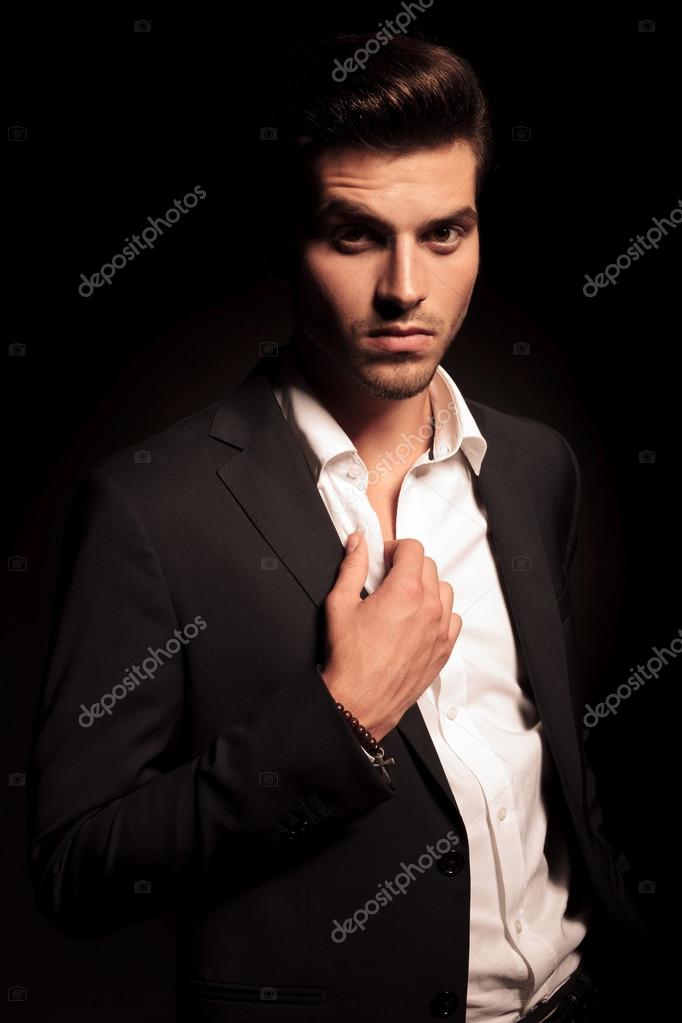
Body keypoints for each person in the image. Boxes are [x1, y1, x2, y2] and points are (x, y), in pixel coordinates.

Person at [27, 33, 650, 1022]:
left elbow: (544, 758)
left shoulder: (536, 468)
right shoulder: (151, 509)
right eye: (355, 235)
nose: (406, 288)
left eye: (445, 234)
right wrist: (340, 719)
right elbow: (75, 868)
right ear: (284, 242)